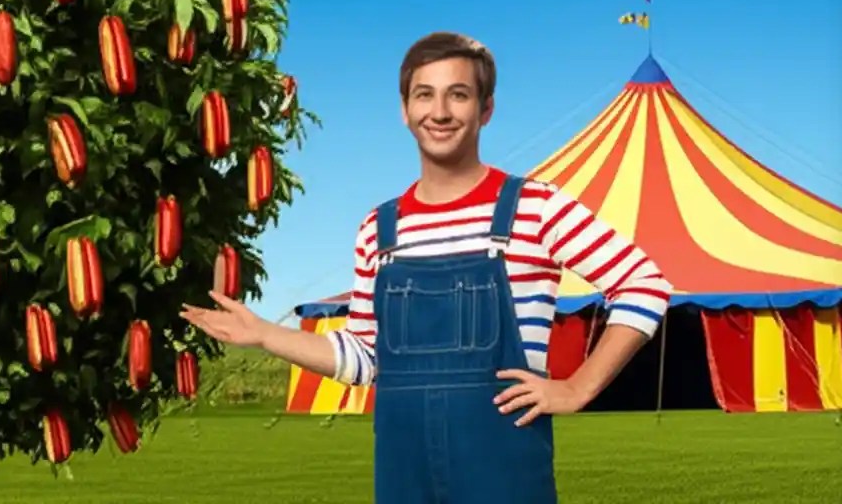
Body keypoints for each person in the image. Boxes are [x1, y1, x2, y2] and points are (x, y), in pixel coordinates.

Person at [181, 32, 674, 503]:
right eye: (424, 95)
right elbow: (365, 357)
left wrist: (576, 387)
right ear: (405, 110)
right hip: (403, 470)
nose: (439, 112)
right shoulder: (380, 228)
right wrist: (264, 334)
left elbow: (644, 284)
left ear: (486, 110)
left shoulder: (536, 207)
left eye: (458, 95)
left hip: (504, 467)